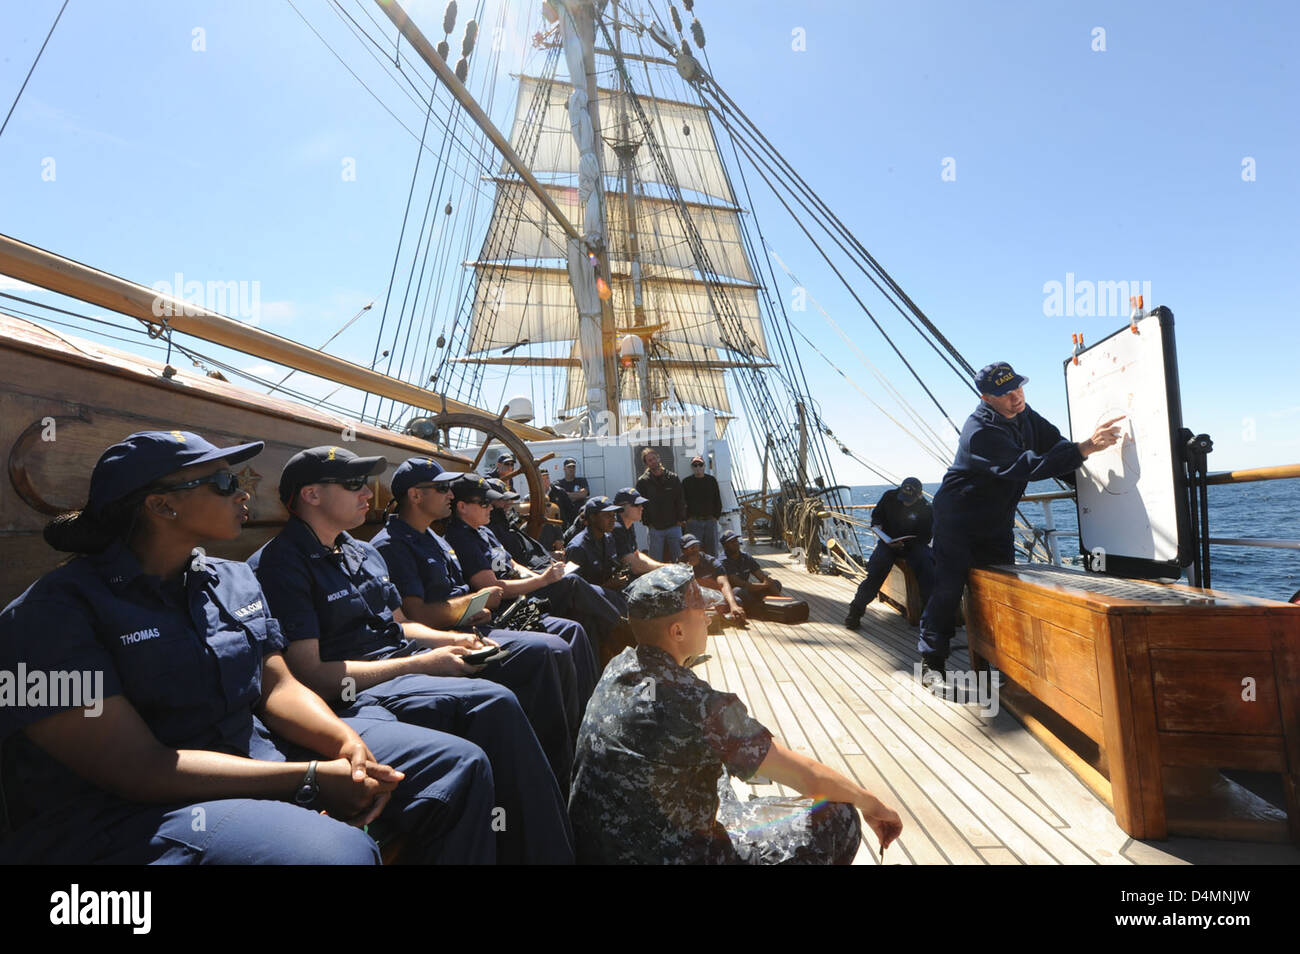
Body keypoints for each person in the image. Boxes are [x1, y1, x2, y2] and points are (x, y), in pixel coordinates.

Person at [0, 431, 498, 864]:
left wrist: (341, 742)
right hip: (128, 817)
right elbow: (140, 769)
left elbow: (277, 684)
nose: (244, 493)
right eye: (223, 482)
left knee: (458, 765)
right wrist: (306, 778)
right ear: (160, 505)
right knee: (335, 855)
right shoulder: (46, 617)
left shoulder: (232, 580)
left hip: (255, 749)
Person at [248, 447, 576, 858]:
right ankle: (543, 847)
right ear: (311, 495)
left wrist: (450, 641)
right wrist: (423, 662)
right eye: (354, 484)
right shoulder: (281, 564)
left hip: (402, 665)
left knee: (533, 661)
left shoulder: (361, 551)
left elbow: (401, 624)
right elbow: (310, 675)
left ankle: (550, 815)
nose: (369, 492)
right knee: (494, 703)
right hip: (356, 694)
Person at [568, 565, 903, 865]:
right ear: (677, 632)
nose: (712, 614)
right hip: (671, 854)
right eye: (701, 610)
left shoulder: (618, 667)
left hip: (602, 847)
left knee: (719, 778)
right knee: (838, 813)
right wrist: (872, 804)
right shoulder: (699, 705)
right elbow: (809, 777)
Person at [917, 362, 1124, 689]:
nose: (1016, 397)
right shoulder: (979, 432)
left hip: (996, 517)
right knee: (949, 585)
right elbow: (1027, 466)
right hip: (958, 518)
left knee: (1001, 584)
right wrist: (1086, 447)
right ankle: (932, 660)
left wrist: (1086, 487)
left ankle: (995, 659)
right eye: (1005, 393)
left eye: (1018, 388)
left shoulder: (1025, 414)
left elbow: (1054, 446)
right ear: (986, 397)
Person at [441, 474, 605, 702]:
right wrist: (543, 581)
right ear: (462, 507)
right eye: (484, 503)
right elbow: (492, 588)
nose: (491, 508)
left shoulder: (484, 531)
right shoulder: (461, 538)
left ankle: (592, 698)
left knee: (580, 625)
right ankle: (622, 620)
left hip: (523, 594)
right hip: (505, 608)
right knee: (571, 586)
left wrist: (539, 574)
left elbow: (512, 564)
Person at [845, 477, 935, 631]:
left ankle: (930, 617)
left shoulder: (927, 508)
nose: (905, 502)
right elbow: (876, 518)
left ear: (919, 495)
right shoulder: (889, 497)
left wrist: (909, 542)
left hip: (913, 545)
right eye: (903, 498)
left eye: (910, 500)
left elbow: (926, 536)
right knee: (876, 569)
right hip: (888, 542)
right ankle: (856, 611)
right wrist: (879, 528)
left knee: (927, 566)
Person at [635, 448, 686, 562]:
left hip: (674, 526)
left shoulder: (673, 478)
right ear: (646, 464)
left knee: (680, 559)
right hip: (655, 529)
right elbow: (640, 504)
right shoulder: (642, 482)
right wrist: (647, 523)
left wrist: (680, 519)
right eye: (649, 460)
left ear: (658, 457)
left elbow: (680, 500)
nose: (653, 461)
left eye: (654, 458)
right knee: (655, 561)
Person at [680, 533, 745, 622]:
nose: (695, 550)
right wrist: (689, 567)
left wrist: (733, 605)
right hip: (693, 598)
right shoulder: (680, 564)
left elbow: (723, 583)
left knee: (737, 601)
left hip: (713, 597)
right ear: (684, 551)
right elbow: (681, 588)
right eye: (691, 548)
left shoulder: (711, 561)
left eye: (696, 546)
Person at [719, 529, 783, 612]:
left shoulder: (746, 557)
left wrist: (780, 599)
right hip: (734, 592)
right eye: (731, 542)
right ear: (725, 546)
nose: (735, 544)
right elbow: (739, 583)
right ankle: (758, 605)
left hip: (749, 589)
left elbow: (762, 576)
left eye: (736, 541)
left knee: (776, 584)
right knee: (739, 591)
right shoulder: (723, 562)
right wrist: (764, 585)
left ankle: (757, 603)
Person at [610, 487, 667, 578]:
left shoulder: (629, 524)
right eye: (636, 505)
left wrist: (662, 566)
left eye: (641, 504)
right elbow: (634, 566)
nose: (641, 508)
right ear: (621, 507)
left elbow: (636, 554)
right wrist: (665, 568)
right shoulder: (616, 528)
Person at [682, 455, 724, 556]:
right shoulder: (686, 482)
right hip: (693, 522)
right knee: (694, 551)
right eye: (695, 465)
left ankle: (714, 571)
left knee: (713, 550)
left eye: (700, 464)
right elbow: (682, 502)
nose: (698, 467)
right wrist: (687, 518)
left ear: (704, 466)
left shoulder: (711, 480)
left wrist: (716, 517)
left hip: (710, 521)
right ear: (692, 467)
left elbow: (717, 499)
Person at [553, 457, 589, 527]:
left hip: (580, 518)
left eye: (573, 467)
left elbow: (583, 494)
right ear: (564, 468)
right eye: (569, 467)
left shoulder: (581, 481)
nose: (571, 469)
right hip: (566, 520)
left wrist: (565, 496)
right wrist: (576, 496)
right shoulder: (558, 483)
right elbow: (557, 498)